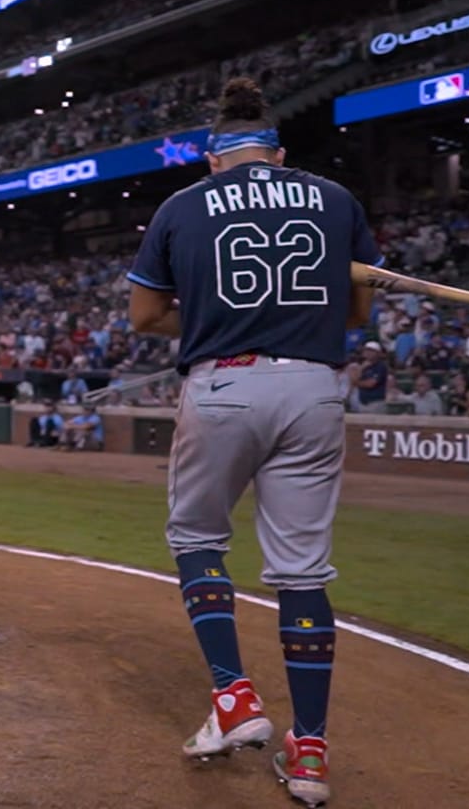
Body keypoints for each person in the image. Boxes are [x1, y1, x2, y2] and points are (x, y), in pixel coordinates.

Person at [126, 78, 380, 807]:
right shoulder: (335, 199)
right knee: (302, 572)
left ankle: (234, 697)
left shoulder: (181, 207)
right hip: (313, 386)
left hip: (223, 383)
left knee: (198, 536)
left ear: (214, 160)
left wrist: (209, 318)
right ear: (278, 152)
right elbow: (355, 311)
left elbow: (146, 317)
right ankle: (310, 755)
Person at [354, 341, 390, 413]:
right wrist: (361, 368)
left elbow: (371, 384)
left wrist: (358, 383)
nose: (368, 353)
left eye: (371, 351)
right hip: (362, 402)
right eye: (367, 350)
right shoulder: (363, 366)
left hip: (376, 403)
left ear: (378, 353)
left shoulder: (381, 366)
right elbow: (353, 381)